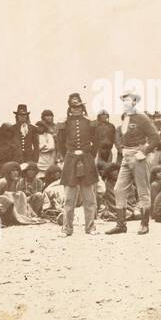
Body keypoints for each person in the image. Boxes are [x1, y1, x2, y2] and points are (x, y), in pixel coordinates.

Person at [107, 91, 160, 235]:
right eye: (123, 101)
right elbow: (124, 138)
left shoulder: (142, 118)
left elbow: (156, 138)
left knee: (143, 191)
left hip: (139, 156)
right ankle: (121, 225)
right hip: (127, 156)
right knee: (118, 189)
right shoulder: (125, 118)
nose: (125, 103)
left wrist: (144, 152)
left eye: (128, 101)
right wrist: (124, 150)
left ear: (135, 102)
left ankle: (144, 224)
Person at [56, 92, 100, 236]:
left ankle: (90, 227)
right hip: (70, 160)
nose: (76, 109)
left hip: (86, 159)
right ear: (70, 108)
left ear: (82, 107)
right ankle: (67, 229)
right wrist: (68, 155)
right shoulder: (65, 123)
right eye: (73, 107)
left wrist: (88, 155)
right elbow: (60, 143)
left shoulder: (89, 122)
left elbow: (96, 141)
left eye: (79, 106)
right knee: (69, 198)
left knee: (89, 198)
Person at [36, 110, 58, 176]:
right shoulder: (38, 132)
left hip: (55, 149)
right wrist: (43, 146)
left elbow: (52, 146)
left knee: (53, 168)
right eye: (47, 116)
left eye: (50, 116)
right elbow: (36, 147)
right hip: (42, 156)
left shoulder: (56, 127)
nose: (49, 117)